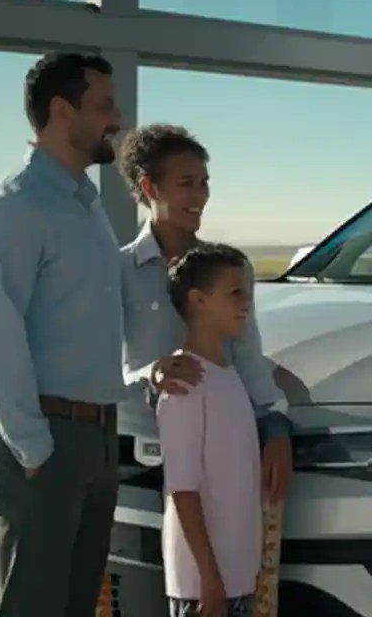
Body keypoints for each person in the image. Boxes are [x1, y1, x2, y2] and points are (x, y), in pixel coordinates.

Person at [0, 52, 125, 615]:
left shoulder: (87, 206)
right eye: (105, 104)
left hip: (95, 441)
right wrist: (34, 448)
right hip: (44, 441)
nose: (118, 116)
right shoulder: (14, 206)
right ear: (62, 111)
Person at [117, 123, 293, 508]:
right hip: (139, 461)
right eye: (187, 183)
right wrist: (151, 375)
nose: (200, 196)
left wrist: (277, 429)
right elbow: (99, 370)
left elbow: (248, 360)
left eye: (204, 183)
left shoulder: (231, 270)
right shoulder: (115, 272)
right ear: (150, 188)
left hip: (223, 456)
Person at [156, 244, 265, 617]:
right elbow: (182, 490)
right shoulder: (185, 386)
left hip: (236, 582)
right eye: (235, 292)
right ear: (199, 300)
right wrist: (209, 578)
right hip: (203, 590)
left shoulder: (228, 376)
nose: (247, 302)